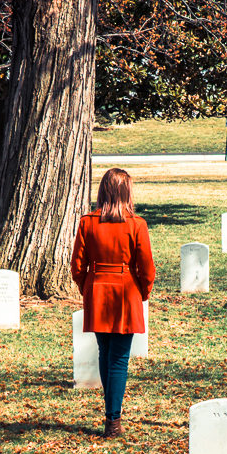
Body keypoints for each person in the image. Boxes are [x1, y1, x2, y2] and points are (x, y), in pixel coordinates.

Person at [71, 168, 156, 437]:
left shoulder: (88, 222)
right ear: (126, 191)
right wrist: (142, 292)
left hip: (97, 290)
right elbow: (147, 269)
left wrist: (87, 286)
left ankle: (111, 415)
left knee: (105, 354)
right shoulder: (137, 224)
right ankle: (113, 420)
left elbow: (77, 265)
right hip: (125, 291)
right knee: (117, 359)